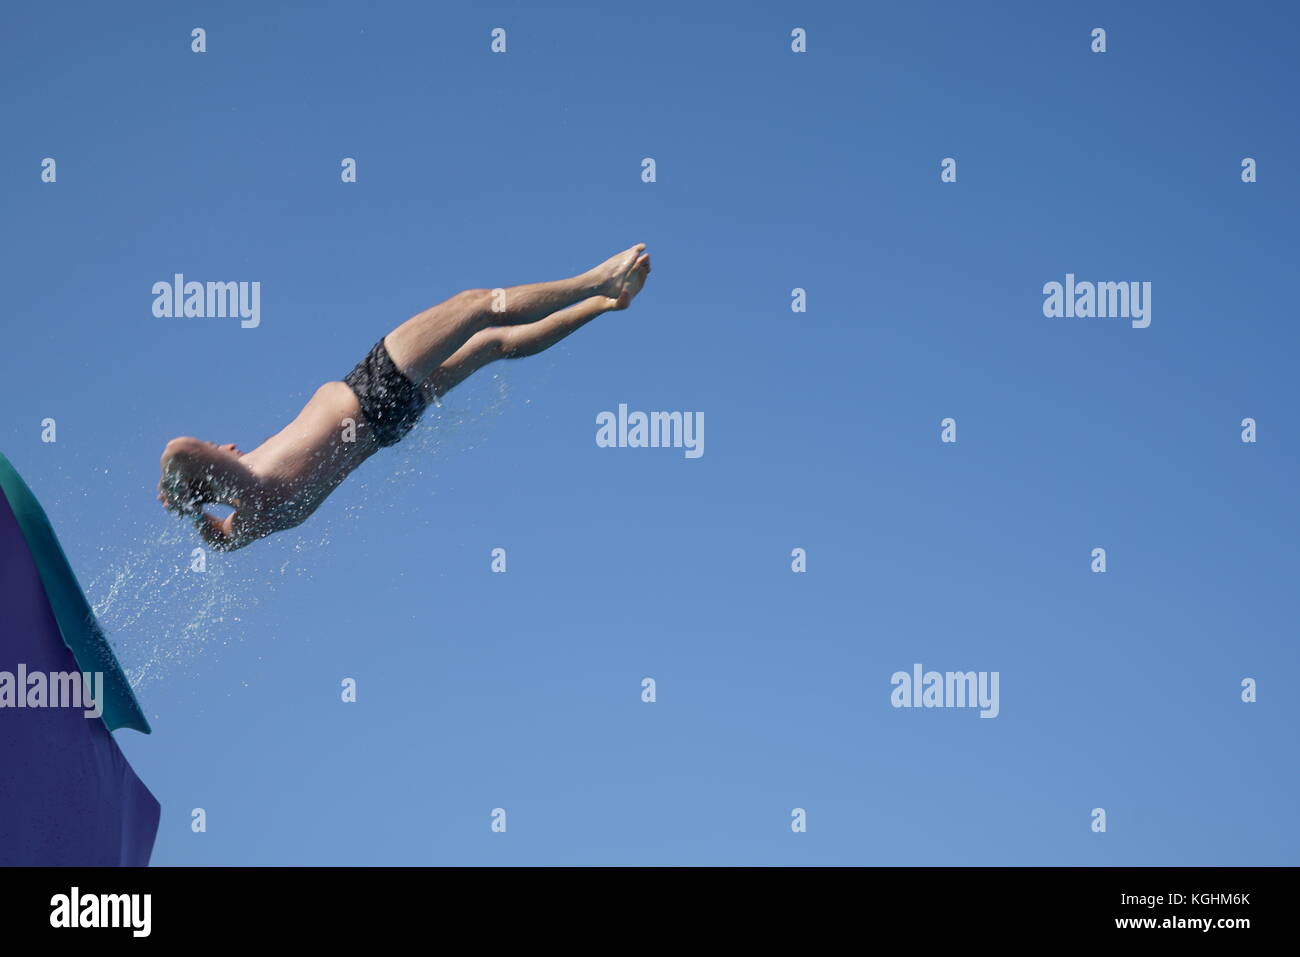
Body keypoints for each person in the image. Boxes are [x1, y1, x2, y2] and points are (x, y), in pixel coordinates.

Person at [157, 245, 651, 550]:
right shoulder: (251, 480)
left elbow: (220, 544)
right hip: (372, 389)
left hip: (387, 425)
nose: (229, 446)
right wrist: (178, 491)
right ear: (216, 475)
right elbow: (179, 449)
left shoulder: (260, 516)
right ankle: (595, 282)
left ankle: (606, 304)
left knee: (493, 347)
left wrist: (190, 513)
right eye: (222, 453)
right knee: (478, 307)